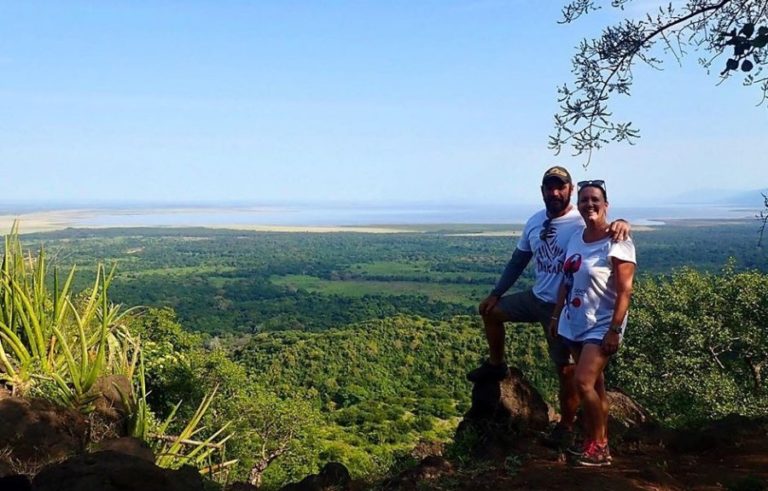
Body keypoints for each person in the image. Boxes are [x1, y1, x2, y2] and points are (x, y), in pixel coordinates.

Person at [468, 166, 630, 450]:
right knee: (490, 313)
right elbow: (518, 261)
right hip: (538, 298)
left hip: (569, 308)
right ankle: (496, 366)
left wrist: (623, 222)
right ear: (542, 191)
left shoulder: (581, 221)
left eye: (561, 187)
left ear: (570, 191)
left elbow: (604, 225)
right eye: (549, 187)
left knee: (567, 373)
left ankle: (567, 426)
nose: (555, 193)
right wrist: (496, 294)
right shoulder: (535, 221)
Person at [548, 179, 636, 466]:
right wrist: (556, 315)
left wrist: (614, 329)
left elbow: (625, 291)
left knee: (582, 381)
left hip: (601, 324)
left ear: (606, 204)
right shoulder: (577, 237)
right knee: (595, 387)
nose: (589, 205)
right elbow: (566, 279)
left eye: (595, 200)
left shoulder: (618, 241)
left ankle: (599, 447)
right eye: (584, 200)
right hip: (574, 322)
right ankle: (595, 439)